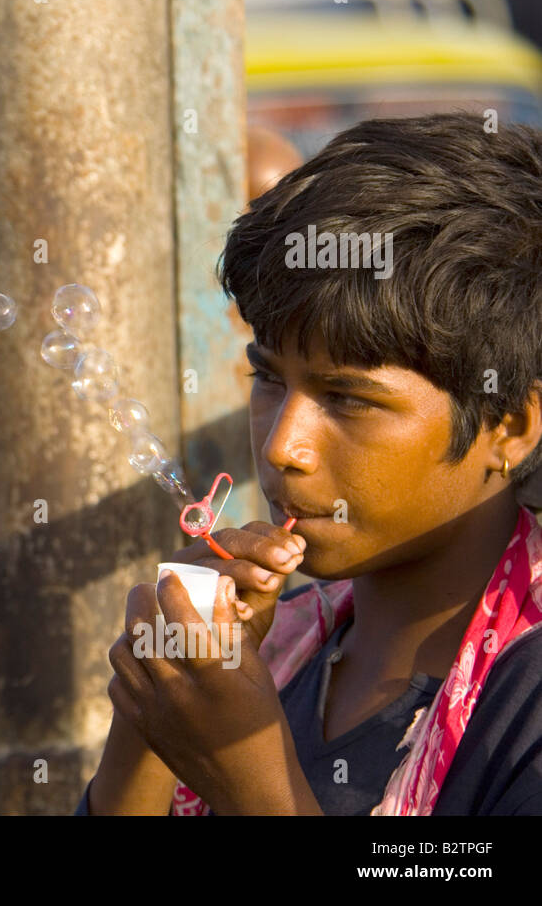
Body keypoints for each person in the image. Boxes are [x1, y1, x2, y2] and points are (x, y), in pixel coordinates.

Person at [79, 112, 542, 815]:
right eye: (268, 379)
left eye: (348, 398)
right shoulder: (282, 646)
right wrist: (156, 714)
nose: (280, 447)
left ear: (510, 425)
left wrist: (250, 778)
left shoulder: (522, 708)